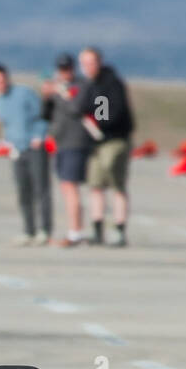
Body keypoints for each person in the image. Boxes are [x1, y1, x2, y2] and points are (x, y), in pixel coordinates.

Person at [76, 47, 134, 247]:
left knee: (116, 184)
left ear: (99, 62)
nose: (87, 67)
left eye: (91, 63)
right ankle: (97, 229)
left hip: (113, 140)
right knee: (95, 185)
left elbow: (111, 113)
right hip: (95, 144)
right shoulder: (88, 84)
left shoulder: (109, 83)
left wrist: (96, 121)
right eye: (84, 63)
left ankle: (119, 230)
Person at [0, 63, 50, 246]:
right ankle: (28, 230)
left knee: (41, 190)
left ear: (7, 78)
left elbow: (42, 115)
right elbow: (8, 127)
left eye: (1, 80)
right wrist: (7, 145)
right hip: (17, 151)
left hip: (35, 147)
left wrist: (39, 135)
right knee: (23, 191)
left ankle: (44, 230)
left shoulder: (25, 94)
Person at [41, 53, 91, 247]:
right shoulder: (57, 86)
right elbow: (46, 115)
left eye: (67, 68)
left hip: (76, 141)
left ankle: (75, 233)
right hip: (60, 142)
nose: (64, 73)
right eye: (61, 69)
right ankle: (74, 229)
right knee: (65, 186)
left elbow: (76, 108)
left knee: (71, 187)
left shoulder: (81, 85)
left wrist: (60, 93)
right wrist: (47, 97)